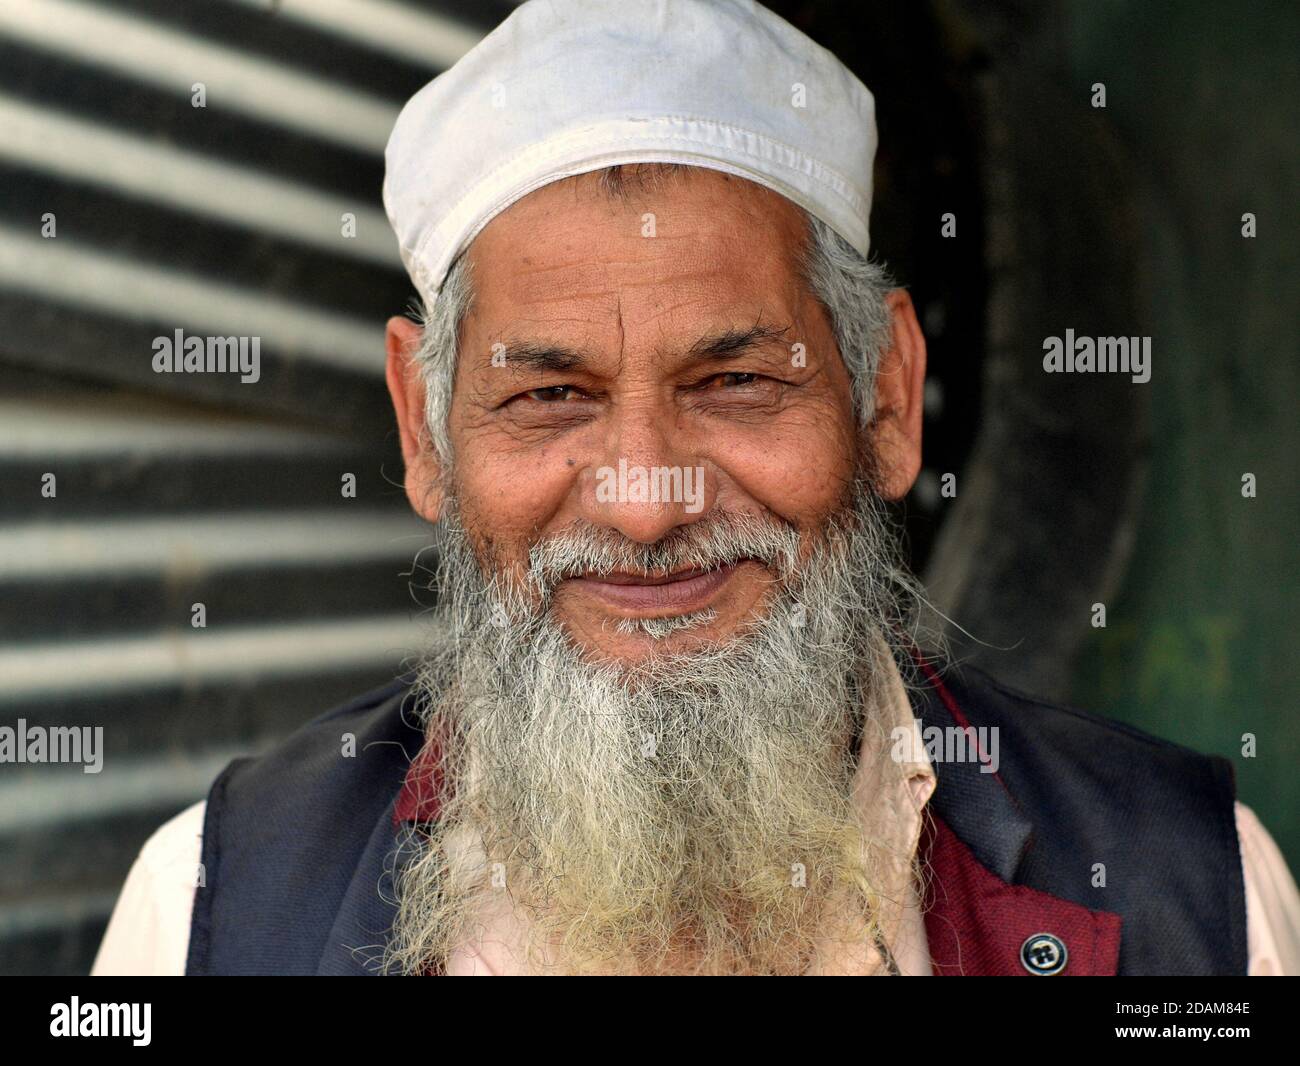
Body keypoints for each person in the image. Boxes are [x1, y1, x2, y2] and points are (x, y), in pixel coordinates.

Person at [93, 0, 1300, 976]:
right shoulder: (214, 906)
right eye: (549, 397)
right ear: (424, 428)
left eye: (733, 380)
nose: (644, 500)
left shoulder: (1185, 898)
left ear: (884, 398)